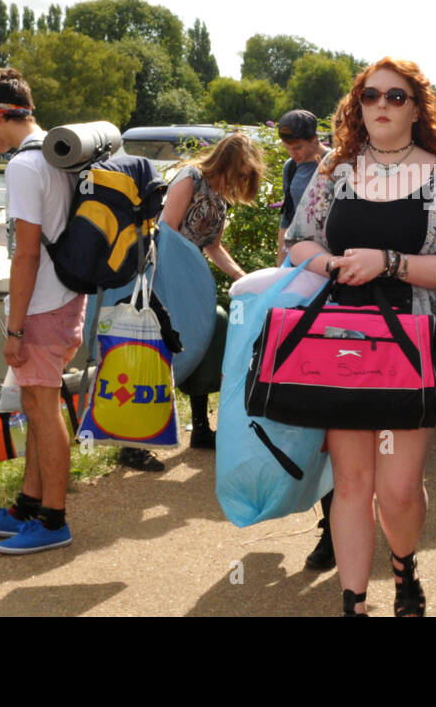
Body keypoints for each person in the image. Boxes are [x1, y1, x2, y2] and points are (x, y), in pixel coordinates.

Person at [286, 57, 436, 616]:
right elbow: (299, 240)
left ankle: (404, 568)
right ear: (358, 105)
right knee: (350, 484)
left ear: (417, 109)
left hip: (409, 348)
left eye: (396, 97)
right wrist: (327, 266)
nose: (381, 105)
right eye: (370, 95)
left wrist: (389, 262)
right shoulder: (335, 169)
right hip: (340, 345)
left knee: (396, 489)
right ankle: (353, 602)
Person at [0, 68, 82, 553]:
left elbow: (27, 253)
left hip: (42, 305)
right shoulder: (58, 155)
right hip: (67, 297)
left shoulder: (23, 166)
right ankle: (28, 507)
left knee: (42, 409)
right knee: (37, 407)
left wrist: (14, 330)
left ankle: (54, 520)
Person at [123, 130, 264, 464]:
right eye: (241, 173)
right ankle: (131, 442)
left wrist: (242, 277)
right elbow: (167, 232)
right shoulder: (191, 177)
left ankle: (200, 428)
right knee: (153, 355)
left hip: (189, 282)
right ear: (228, 163)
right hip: (163, 281)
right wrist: (178, 287)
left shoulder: (219, 194)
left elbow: (212, 246)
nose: (242, 180)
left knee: (211, 333)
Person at [273, 108, 337, 570]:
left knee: (332, 417)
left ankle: (334, 529)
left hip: (336, 290)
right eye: (288, 147)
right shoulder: (292, 169)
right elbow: (288, 228)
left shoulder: (336, 167)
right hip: (299, 287)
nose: (295, 153)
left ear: (317, 138)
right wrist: (278, 280)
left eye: (300, 145)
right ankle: (326, 517)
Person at [275, 109, 330, 267]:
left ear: (314, 139)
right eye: (287, 148)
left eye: (298, 148)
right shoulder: (290, 167)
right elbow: (287, 217)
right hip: (299, 256)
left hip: (329, 257)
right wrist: (280, 268)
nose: (292, 154)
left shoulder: (334, 164)